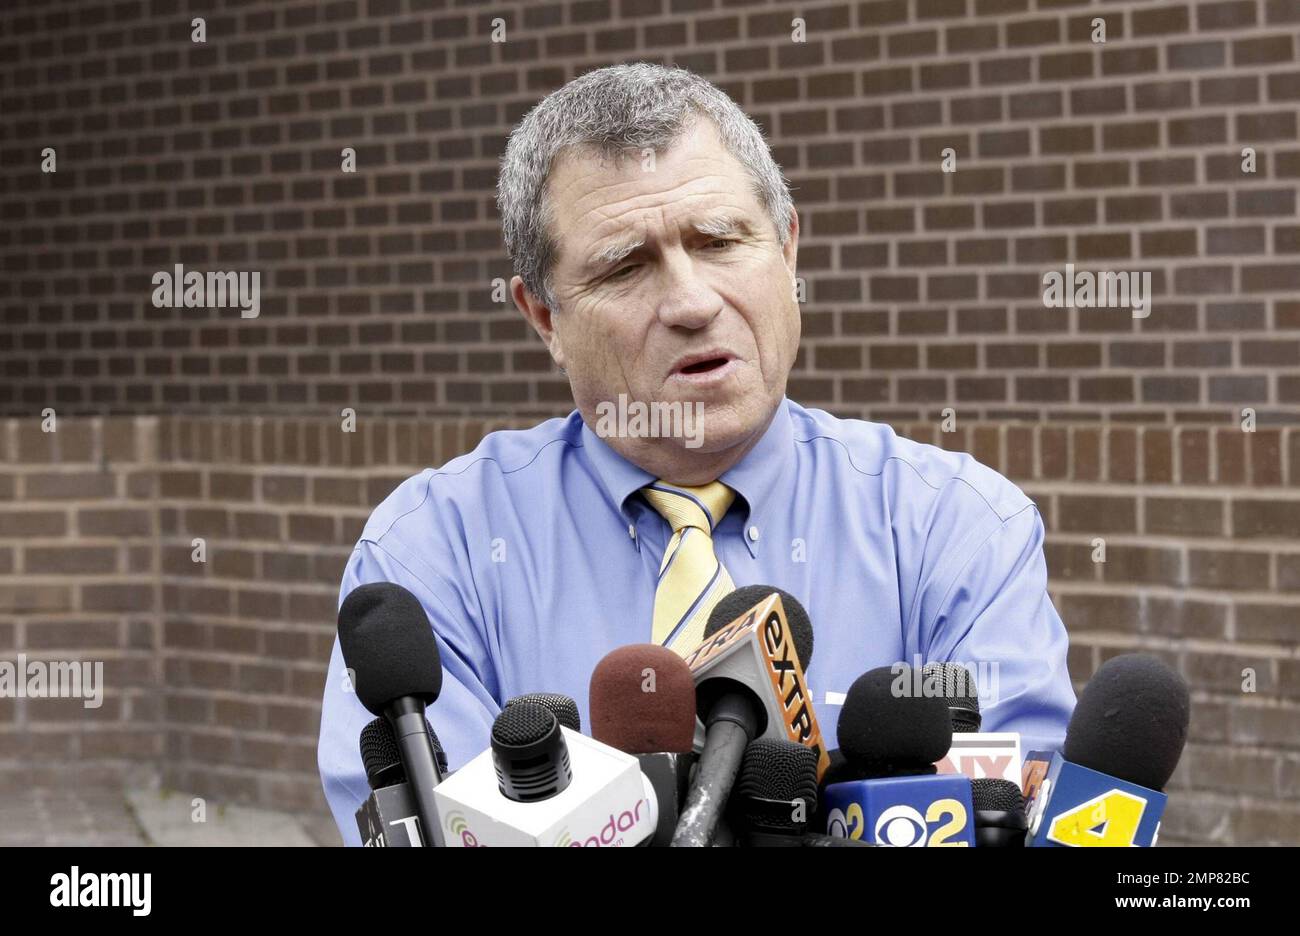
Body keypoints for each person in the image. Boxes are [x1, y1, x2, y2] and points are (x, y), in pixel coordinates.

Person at [318, 63, 1075, 845]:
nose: (690, 302)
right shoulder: (430, 553)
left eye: (719, 241)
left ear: (787, 251)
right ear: (544, 317)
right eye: (625, 266)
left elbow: (1022, 819)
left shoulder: (958, 529)